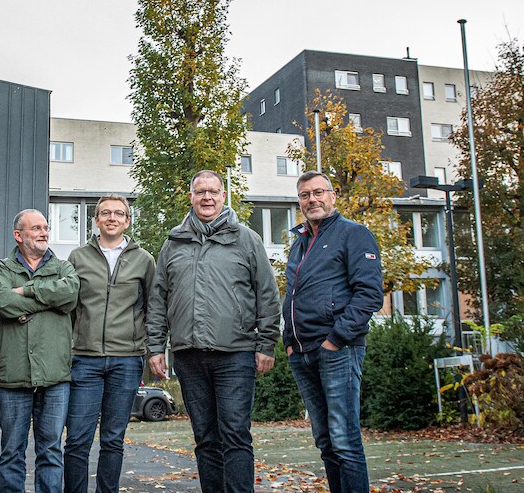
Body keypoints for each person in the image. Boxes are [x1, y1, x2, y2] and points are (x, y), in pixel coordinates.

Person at [146, 169, 280, 493]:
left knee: (234, 433)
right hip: (188, 356)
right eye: (200, 191)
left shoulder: (246, 239)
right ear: (191, 197)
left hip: (235, 354)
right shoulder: (173, 242)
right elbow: (158, 298)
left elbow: (267, 293)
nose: (207, 197)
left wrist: (267, 343)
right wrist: (154, 347)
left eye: (213, 191)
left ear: (223, 196)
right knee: (205, 438)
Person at [283, 170, 384, 493]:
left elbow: (369, 294)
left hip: (338, 349)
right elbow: (292, 296)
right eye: (305, 195)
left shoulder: (353, 234)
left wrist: (335, 340)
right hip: (301, 352)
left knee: (344, 439)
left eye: (318, 192)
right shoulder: (299, 242)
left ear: (332, 195)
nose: (312, 199)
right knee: (326, 441)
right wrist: (289, 342)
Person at [63, 195, 156, 493]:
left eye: (118, 213)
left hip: (127, 360)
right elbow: (68, 308)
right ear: (96, 220)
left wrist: (153, 350)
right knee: (77, 438)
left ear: (127, 220)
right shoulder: (78, 258)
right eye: (105, 213)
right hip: (85, 360)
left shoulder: (144, 260)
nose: (111, 218)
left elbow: (152, 308)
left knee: (113, 439)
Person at [0, 209, 80, 493]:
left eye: (45, 227)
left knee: (51, 451)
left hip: (54, 376)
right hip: (13, 375)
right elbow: (2, 302)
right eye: (36, 228)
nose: (44, 233)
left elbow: (70, 296)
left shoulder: (64, 268)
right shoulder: (0, 270)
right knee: (12, 452)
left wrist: (26, 292)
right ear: (19, 235)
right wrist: (49, 301)